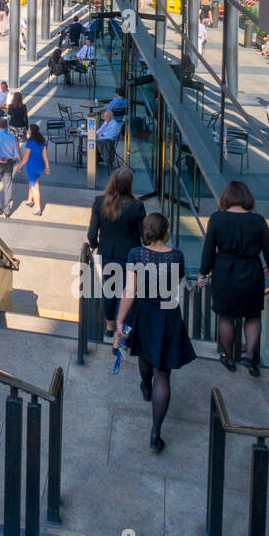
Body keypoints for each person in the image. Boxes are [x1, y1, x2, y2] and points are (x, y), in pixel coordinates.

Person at [114, 211, 195, 453]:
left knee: (143, 354)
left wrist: (120, 319)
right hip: (167, 314)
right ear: (166, 231)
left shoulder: (136, 254)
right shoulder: (177, 256)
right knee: (164, 375)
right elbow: (178, 281)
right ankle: (155, 432)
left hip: (143, 311)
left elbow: (130, 290)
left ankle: (145, 385)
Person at [198, 180, 269, 375]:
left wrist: (203, 273)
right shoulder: (258, 220)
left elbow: (209, 249)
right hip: (251, 271)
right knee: (253, 315)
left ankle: (229, 359)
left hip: (224, 272)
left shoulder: (216, 218)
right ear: (246, 198)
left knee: (225, 316)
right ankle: (249, 357)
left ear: (227, 198)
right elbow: (268, 248)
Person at [87, 167, 146, 336]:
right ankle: (124, 328)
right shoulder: (137, 207)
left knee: (110, 291)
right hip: (131, 255)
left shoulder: (99, 202)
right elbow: (144, 235)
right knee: (128, 293)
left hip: (108, 253)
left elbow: (91, 233)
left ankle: (110, 326)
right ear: (130, 185)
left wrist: (94, 245)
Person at [0, 115, 21, 218]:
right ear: (7, 126)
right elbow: (16, 153)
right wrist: (12, 159)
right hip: (9, 163)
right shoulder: (12, 136)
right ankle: (7, 210)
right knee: (7, 184)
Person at [14, 124, 49, 214]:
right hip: (40, 166)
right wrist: (47, 167)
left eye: (29, 130)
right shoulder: (42, 141)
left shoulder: (29, 143)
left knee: (35, 187)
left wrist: (20, 166)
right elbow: (45, 156)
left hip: (32, 167)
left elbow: (25, 158)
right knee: (33, 181)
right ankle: (30, 199)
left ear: (31, 132)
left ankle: (38, 208)